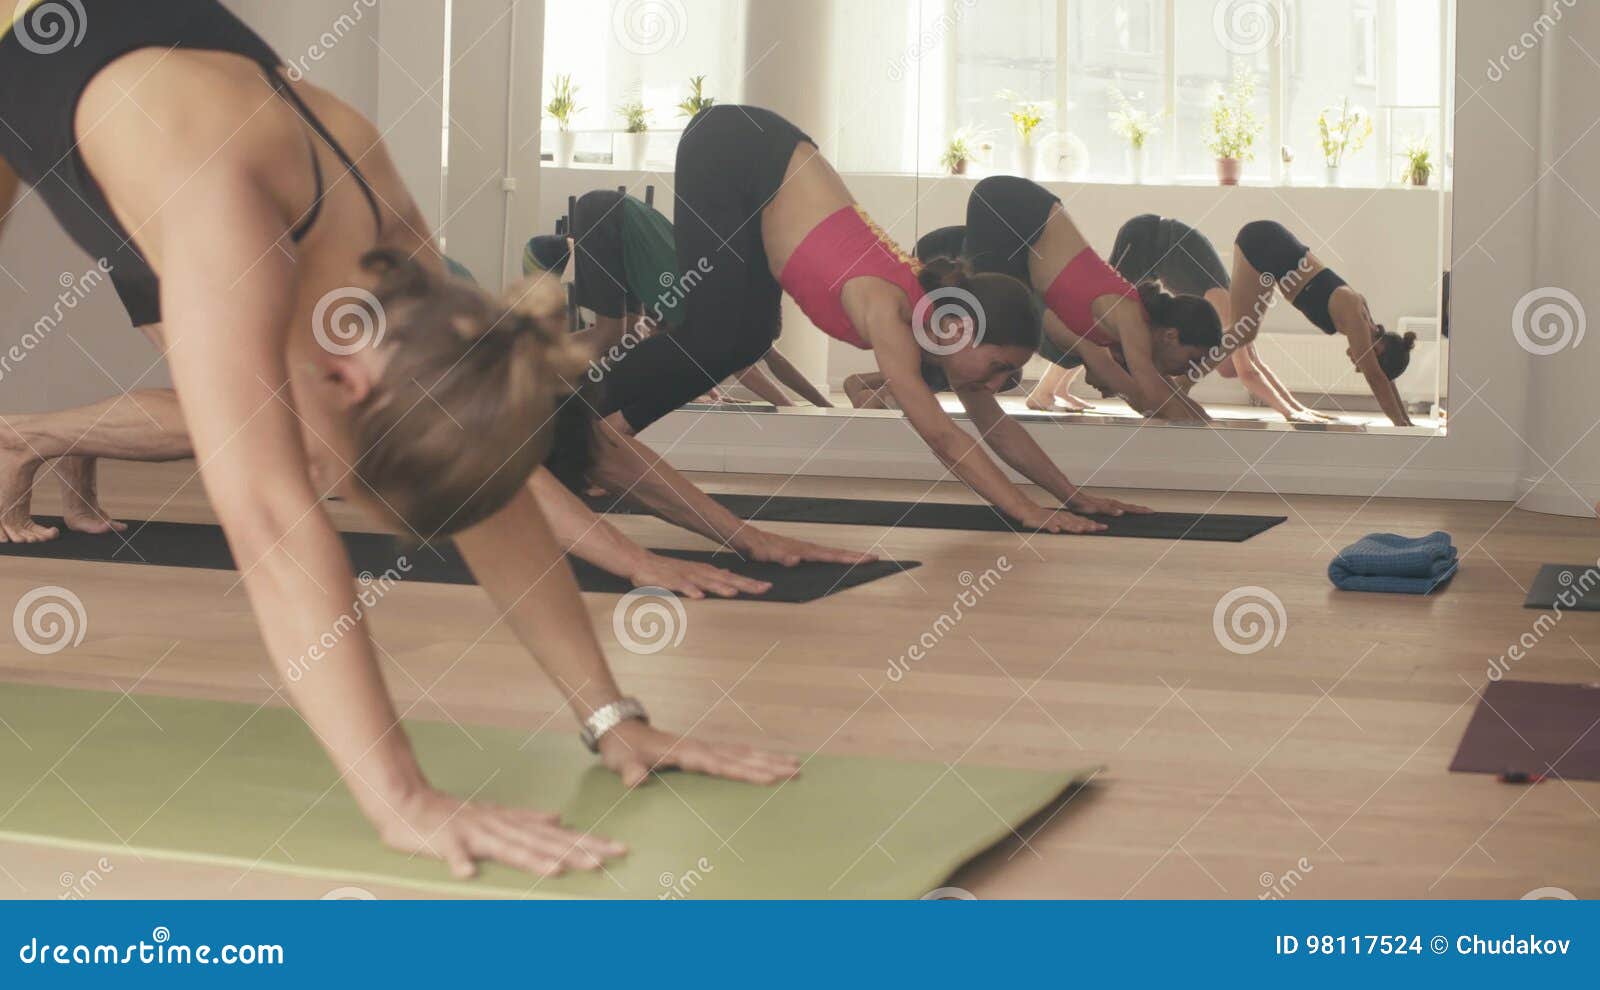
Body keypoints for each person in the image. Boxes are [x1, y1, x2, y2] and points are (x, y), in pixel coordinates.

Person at [0, 0, 798, 878]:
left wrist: (612, 718)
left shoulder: (388, 235)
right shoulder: (226, 222)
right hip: (47, 54)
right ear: (348, 384)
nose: (330, 474)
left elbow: (484, 482)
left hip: (116, 80)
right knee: (266, 455)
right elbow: (271, 520)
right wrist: (402, 798)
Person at [590, 106, 1146, 532]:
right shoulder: (892, 311)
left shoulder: (940, 327)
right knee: (710, 335)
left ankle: (606, 436)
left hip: (764, 167)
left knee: (751, 336)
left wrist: (1072, 497)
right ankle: (576, 416)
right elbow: (942, 437)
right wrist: (1027, 512)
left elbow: (995, 426)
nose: (1000, 384)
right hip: (733, 147)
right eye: (1001, 367)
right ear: (963, 328)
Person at [525, 190, 834, 409]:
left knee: (627, 333)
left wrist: (825, 408)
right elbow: (743, 368)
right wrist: (792, 410)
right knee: (610, 334)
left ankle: (557, 379)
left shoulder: (729, 303)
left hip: (617, 220)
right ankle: (530, 360)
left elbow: (772, 358)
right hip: (609, 217)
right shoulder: (714, 306)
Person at [1108, 214, 1336, 424]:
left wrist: (1297, 408)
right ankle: (1082, 377)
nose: (1199, 364)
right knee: (1104, 311)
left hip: (1165, 249)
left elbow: (1255, 365)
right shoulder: (1225, 312)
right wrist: (1289, 412)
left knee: (1109, 320)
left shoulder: (1233, 323)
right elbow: (1249, 373)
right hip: (1146, 236)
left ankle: (1082, 378)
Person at [1214, 221, 1417, 427]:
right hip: (1262, 241)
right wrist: (1400, 425)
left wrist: (1406, 422)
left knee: (1243, 333)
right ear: (1378, 349)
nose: (1357, 366)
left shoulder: (1365, 323)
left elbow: (1383, 378)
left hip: (1270, 249)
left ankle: (1196, 361)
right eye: (1361, 367)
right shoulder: (1356, 318)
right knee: (1243, 332)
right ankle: (1195, 364)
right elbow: (1376, 377)